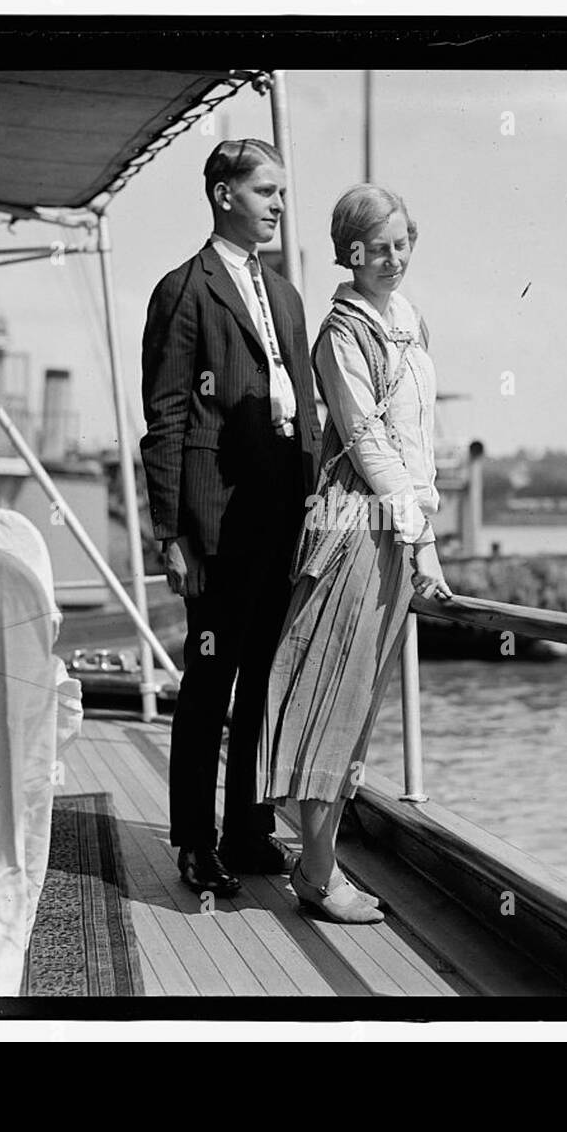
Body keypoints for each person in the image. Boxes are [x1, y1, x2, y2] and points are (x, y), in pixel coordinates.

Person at [257, 184, 453, 924]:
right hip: (353, 529)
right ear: (351, 250)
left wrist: (420, 529)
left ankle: (317, 865)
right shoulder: (342, 331)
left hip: (398, 531)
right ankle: (316, 873)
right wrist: (426, 542)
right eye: (378, 246)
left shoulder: (412, 320)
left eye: (404, 242)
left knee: (361, 699)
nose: (394, 257)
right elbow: (369, 444)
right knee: (332, 694)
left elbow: (418, 439)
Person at [139, 139, 322, 897]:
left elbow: (303, 407)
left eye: (281, 192)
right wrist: (170, 534)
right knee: (210, 682)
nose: (278, 204)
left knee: (264, 681)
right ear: (223, 194)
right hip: (217, 521)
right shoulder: (185, 291)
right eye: (265, 191)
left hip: (283, 511)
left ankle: (248, 829)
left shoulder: (286, 295)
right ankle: (194, 842)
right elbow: (167, 417)